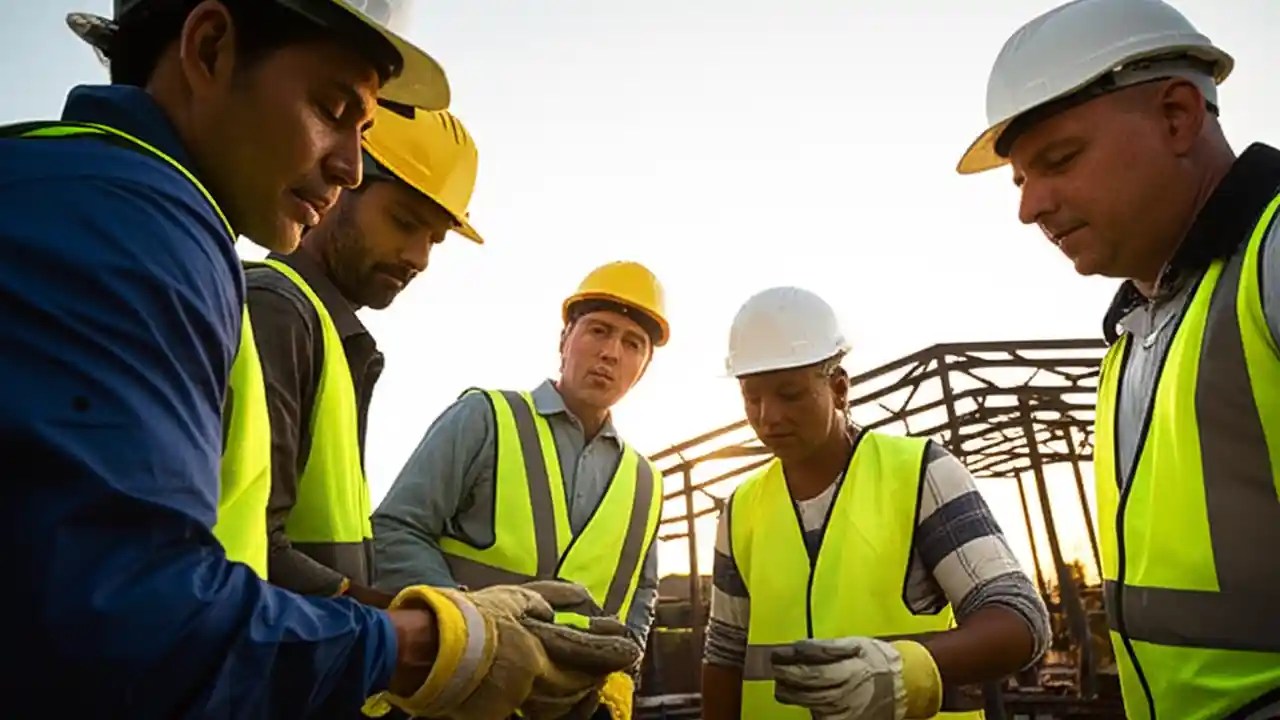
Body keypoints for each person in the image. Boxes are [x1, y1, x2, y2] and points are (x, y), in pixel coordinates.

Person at [0, 0, 635, 716]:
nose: (349, 165)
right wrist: (430, 644)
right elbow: (125, 619)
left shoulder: (92, 196)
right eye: (332, 109)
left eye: (363, 131)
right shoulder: (133, 226)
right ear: (209, 49)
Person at [956, 0, 1280, 717]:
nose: (1029, 207)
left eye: (1059, 161)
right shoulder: (1137, 339)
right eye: (1018, 181)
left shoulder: (1272, 264)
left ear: (1177, 116)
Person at [702, 287, 1050, 720]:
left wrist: (906, 669)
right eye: (752, 398)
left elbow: (1020, 619)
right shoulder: (741, 509)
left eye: (790, 394)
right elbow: (725, 653)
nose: (768, 417)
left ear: (839, 389)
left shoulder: (921, 473)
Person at [371, 259, 671, 718]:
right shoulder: (485, 418)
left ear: (644, 369)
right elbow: (395, 529)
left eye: (632, 344)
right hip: (454, 694)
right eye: (598, 331)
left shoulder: (646, 482)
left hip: (570, 707)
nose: (611, 352)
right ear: (564, 340)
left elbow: (639, 597)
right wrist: (469, 635)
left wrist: (620, 677)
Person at [243, 105, 484, 609]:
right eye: (403, 222)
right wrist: (405, 625)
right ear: (338, 186)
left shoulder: (327, 333)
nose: (418, 258)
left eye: (434, 240)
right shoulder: (277, 312)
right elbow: (251, 549)